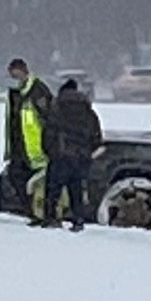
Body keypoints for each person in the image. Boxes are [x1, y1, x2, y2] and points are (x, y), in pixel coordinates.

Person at [45, 74, 103, 231]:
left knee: (53, 189)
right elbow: (96, 136)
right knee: (76, 190)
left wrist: (51, 151)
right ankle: (78, 219)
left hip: (61, 156)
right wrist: (86, 151)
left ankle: (51, 218)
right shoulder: (88, 111)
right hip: (81, 157)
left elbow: (49, 132)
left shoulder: (57, 108)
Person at [3, 56, 54, 221]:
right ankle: (30, 209)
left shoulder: (37, 91)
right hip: (21, 147)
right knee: (17, 176)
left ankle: (39, 212)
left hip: (36, 148)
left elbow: (47, 118)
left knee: (38, 183)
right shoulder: (18, 93)